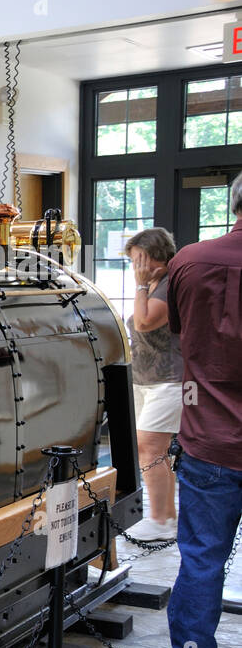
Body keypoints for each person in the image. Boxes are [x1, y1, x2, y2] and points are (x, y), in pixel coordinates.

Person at [154, 173, 242, 648]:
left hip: (209, 436)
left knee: (203, 559)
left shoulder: (189, 260)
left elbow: (179, 330)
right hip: (210, 436)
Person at [123, 227, 181, 542]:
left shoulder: (169, 285)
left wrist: (141, 285)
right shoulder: (154, 284)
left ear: (154, 257)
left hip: (170, 380)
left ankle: (159, 521)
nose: (135, 267)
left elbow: (145, 321)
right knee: (155, 450)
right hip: (147, 380)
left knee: (150, 449)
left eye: (138, 260)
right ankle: (167, 516)